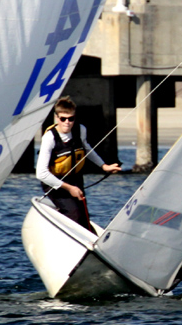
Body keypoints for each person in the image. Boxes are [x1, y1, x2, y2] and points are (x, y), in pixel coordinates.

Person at [36, 97, 121, 228]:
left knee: (83, 217)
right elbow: (41, 174)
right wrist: (69, 188)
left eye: (71, 119)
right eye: (63, 118)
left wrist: (104, 166)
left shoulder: (80, 130)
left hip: (75, 180)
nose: (67, 123)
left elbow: (87, 149)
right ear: (56, 117)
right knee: (74, 215)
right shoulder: (50, 137)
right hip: (55, 183)